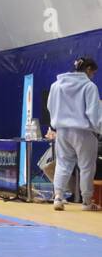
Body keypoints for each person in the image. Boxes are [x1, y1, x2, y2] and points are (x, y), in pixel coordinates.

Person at [46, 56, 102, 211]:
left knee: (63, 164)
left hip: (62, 132)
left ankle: (58, 197)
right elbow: (94, 114)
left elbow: (50, 107)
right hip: (84, 132)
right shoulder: (89, 87)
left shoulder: (56, 85)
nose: (93, 76)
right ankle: (86, 202)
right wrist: (99, 129)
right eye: (93, 73)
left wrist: (55, 125)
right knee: (86, 167)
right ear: (89, 70)